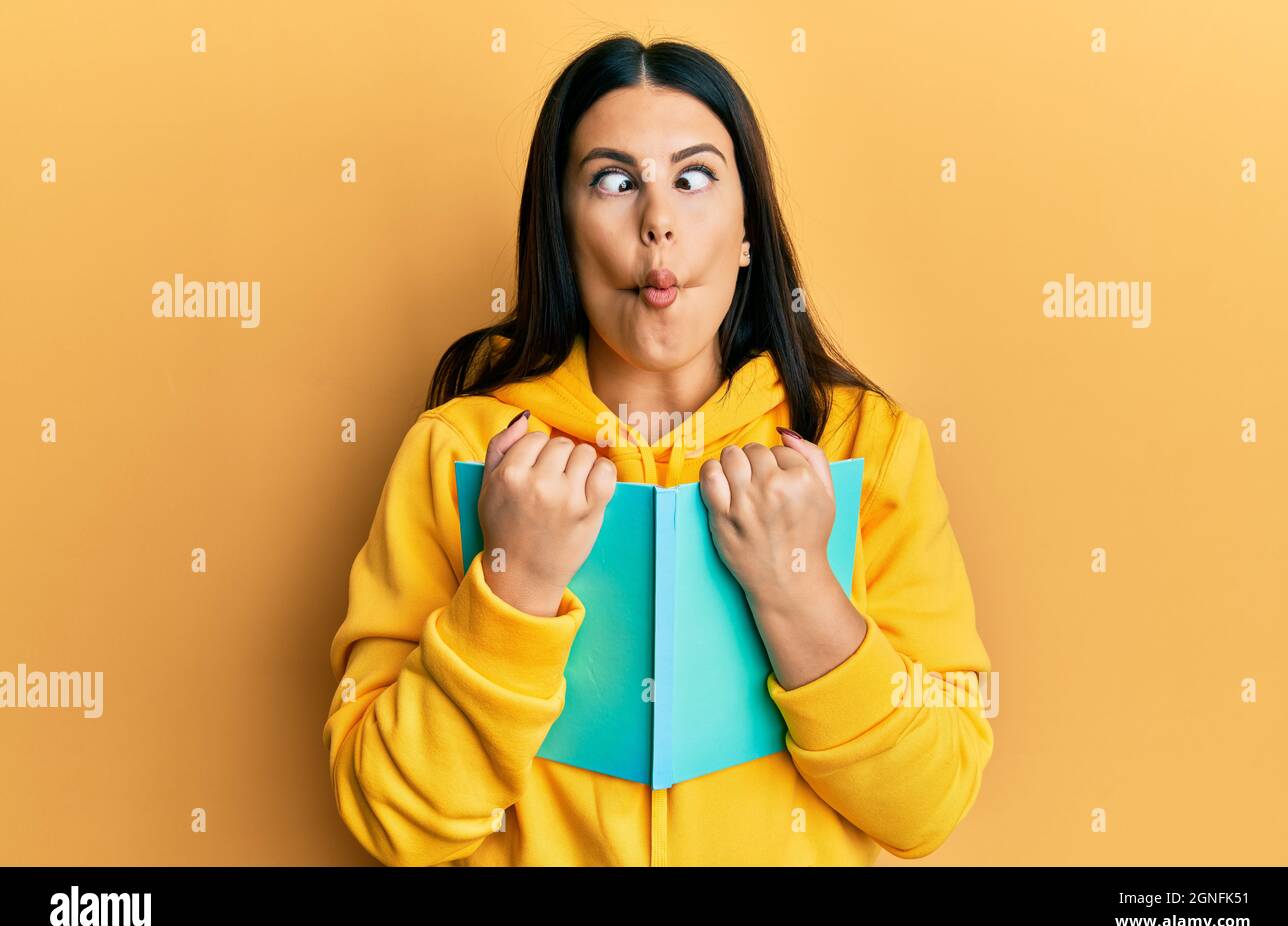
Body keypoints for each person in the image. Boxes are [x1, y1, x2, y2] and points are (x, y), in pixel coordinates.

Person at [322, 34, 994, 866]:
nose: (658, 222)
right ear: (561, 234)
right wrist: (513, 584)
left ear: (748, 231)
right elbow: (392, 819)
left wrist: (800, 587)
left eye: (694, 176)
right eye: (614, 181)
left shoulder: (869, 445)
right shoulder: (457, 452)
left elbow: (928, 806)